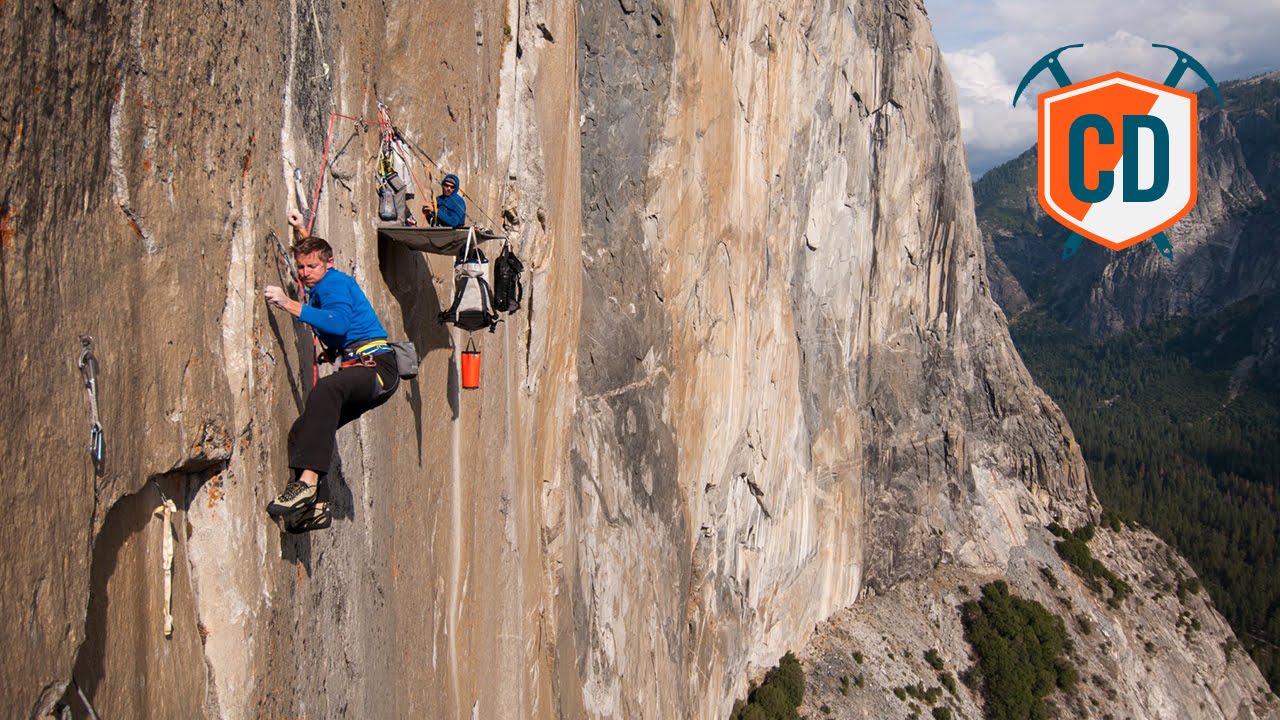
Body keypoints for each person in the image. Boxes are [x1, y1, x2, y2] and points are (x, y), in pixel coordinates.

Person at [263, 213, 400, 519]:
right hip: (364, 367)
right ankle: (317, 508)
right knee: (302, 431)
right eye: (300, 267)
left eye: (312, 267)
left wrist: (288, 303)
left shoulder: (333, 284)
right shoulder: (325, 278)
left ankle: (308, 485)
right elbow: (315, 255)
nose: (305, 273)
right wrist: (301, 231)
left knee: (325, 390)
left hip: (376, 367)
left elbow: (337, 324)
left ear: (330, 263)